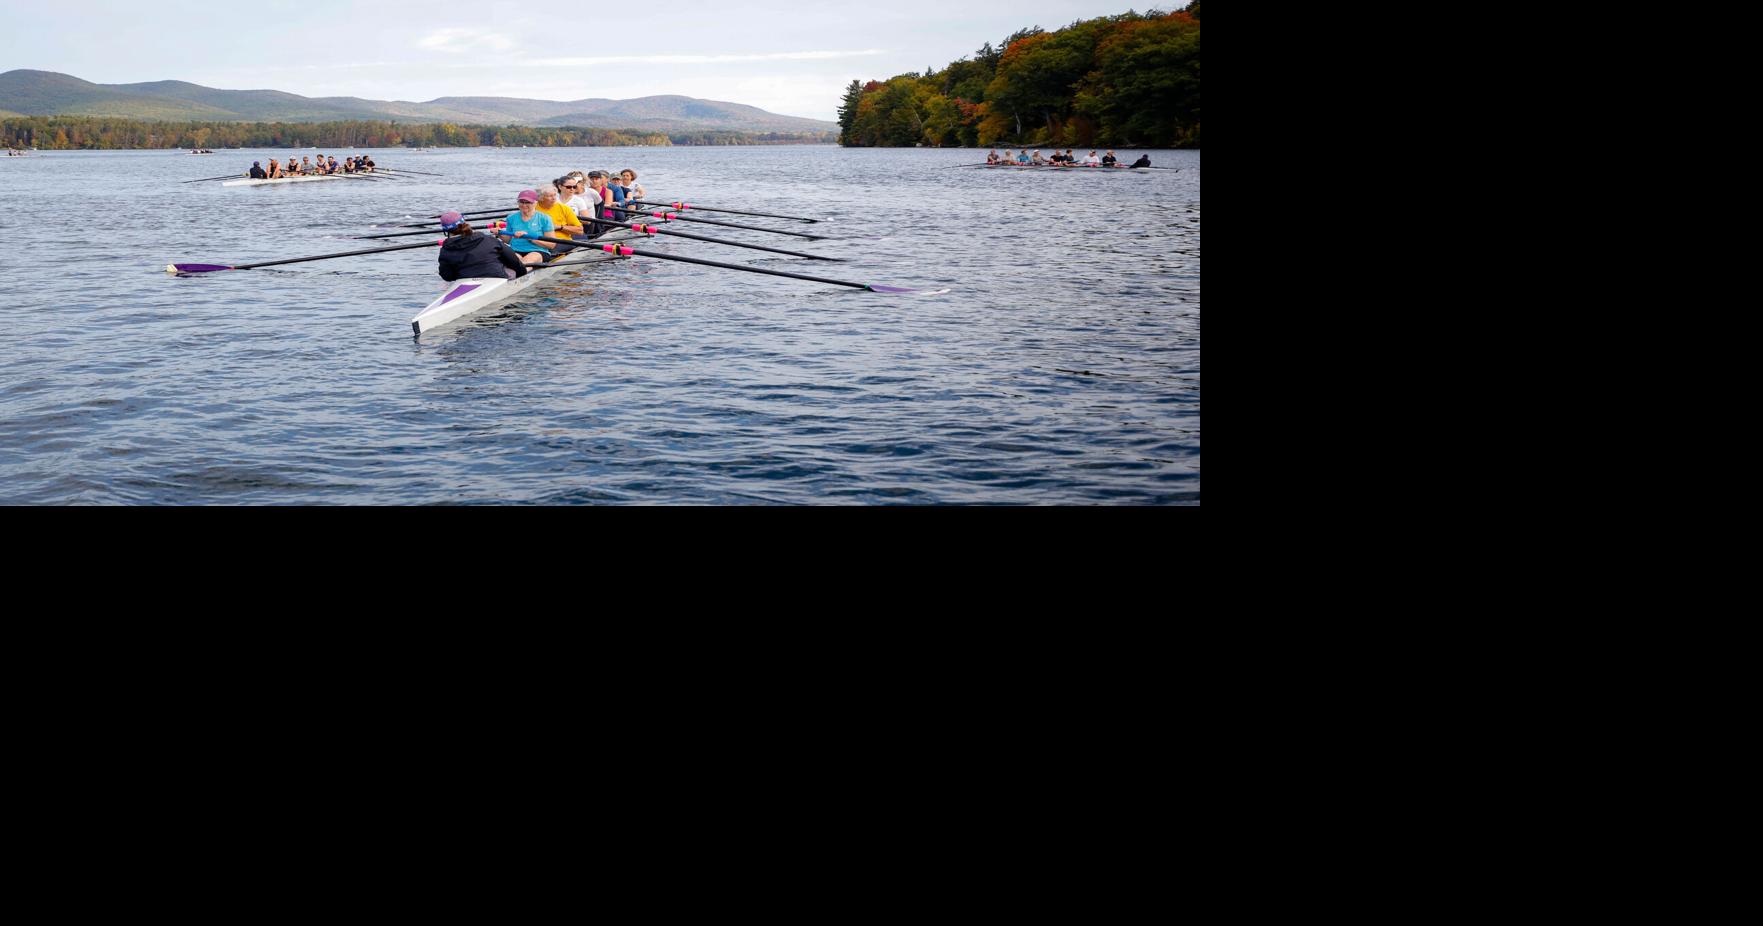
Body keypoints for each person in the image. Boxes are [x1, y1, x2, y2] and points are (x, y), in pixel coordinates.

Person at [437, 211, 530, 281]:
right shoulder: (488, 239)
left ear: (446, 231)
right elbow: (513, 260)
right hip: (496, 276)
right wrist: (522, 274)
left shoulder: (445, 250)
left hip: (464, 279)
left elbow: (447, 276)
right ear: (464, 223)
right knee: (513, 269)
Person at [499, 189, 558, 265]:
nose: (524, 205)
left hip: (538, 251)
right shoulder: (511, 218)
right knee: (513, 260)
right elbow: (508, 240)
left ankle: (520, 272)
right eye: (521, 202)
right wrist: (499, 233)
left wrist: (530, 238)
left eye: (528, 202)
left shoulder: (544, 218)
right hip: (516, 250)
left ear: (535, 203)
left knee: (527, 261)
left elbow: (552, 245)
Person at [534, 183, 585, 249]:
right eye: (550, 196)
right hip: (538, 240)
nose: (554, 198)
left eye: (555, 195)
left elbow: (580, 231)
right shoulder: (532, 208)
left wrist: (559, 227)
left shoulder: (564, 208)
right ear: (541, 198)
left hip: (561, 241)